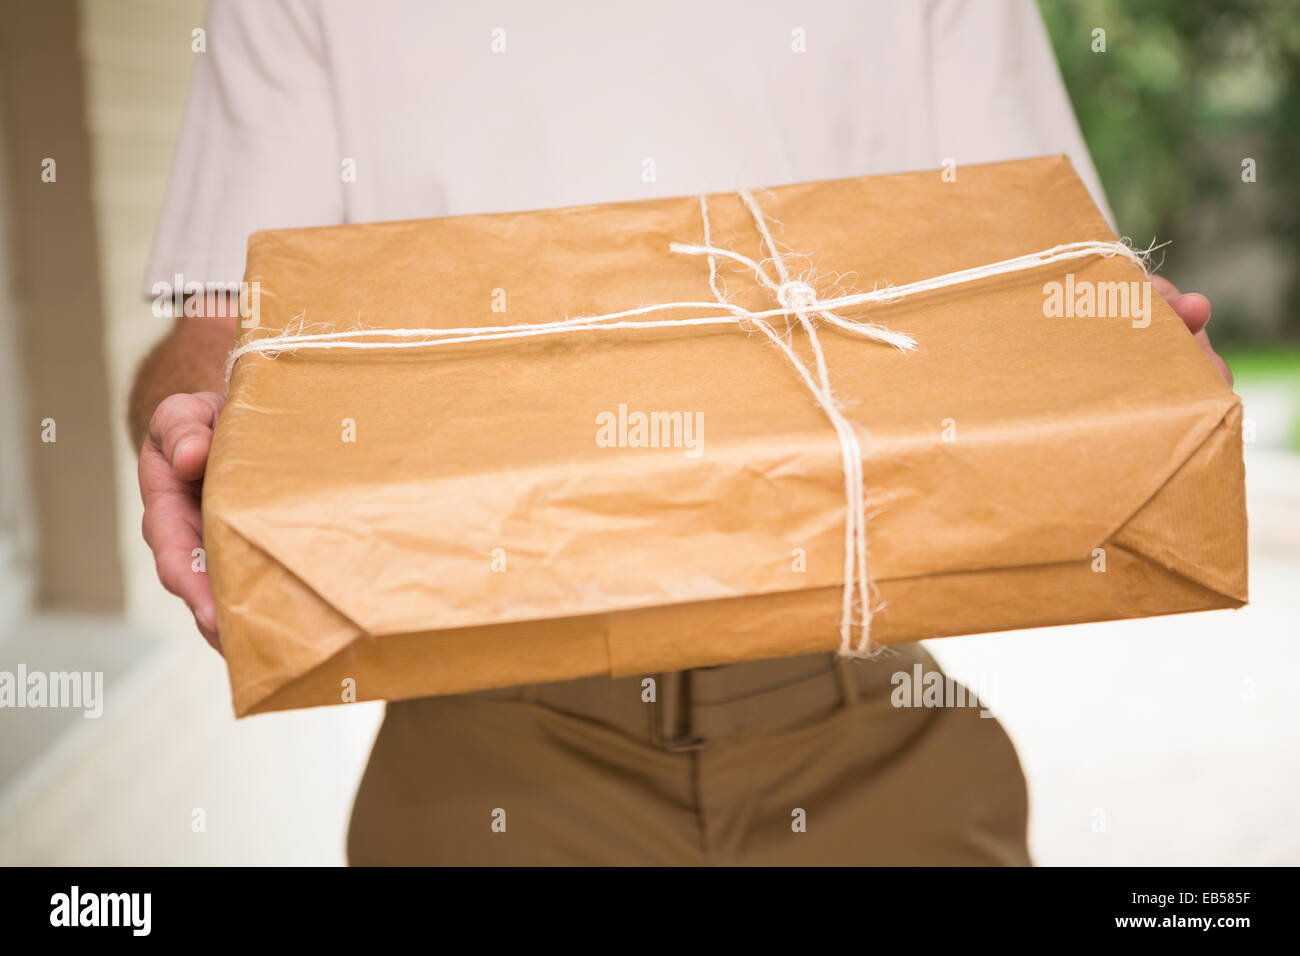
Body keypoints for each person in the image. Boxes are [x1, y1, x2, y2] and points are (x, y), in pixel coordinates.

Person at [131, 0, 1231, 865]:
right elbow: (221, 332)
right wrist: (203, 436)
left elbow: (1031, 269)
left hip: (874, 717)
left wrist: (1132, 360)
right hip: (487, 767)